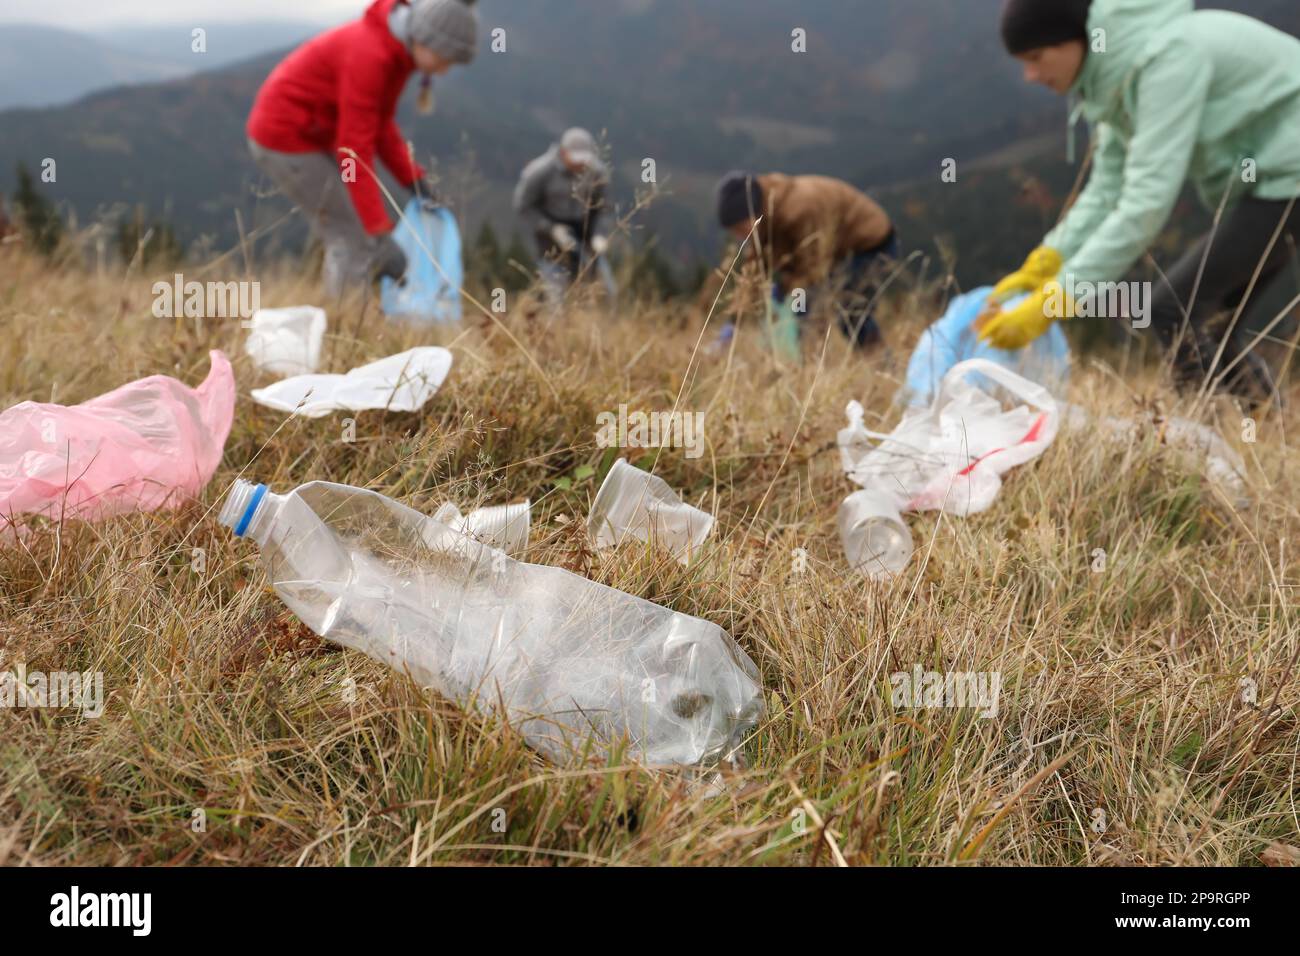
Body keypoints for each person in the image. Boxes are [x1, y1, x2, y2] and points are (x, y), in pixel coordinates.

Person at [980, 0, 1300, 406]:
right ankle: (1269, 428)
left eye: (1036, 58)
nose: (1030, 76)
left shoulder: (1166, 61)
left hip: (1288, 180)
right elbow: (1107, 188)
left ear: (1074, 41)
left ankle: (1200, 443)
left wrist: (1052, 301)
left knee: (1171, 309)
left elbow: (1145, 203)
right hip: (1276, 183)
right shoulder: (1118, 78)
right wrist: (1046, 261)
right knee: (1211, 321)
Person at [246, 0, 478, 297]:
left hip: (315, 134)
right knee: (348, 234)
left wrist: (414, 181)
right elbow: (353, 152)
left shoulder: (398, 52)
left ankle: (352, 311)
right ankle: (346, 324)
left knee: (356, 227)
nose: (445, 70)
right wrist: (380, 232)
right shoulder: (372, 56)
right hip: (285, 137)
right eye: (446, 59)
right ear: (427, 39)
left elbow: (380, 124)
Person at [714, 171, 899, 357]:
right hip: (835, 254)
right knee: (804, 307)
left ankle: (880, 364)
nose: (739, 236)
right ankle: (810, 360)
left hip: (871, 244)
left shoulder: (799, 211)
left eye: (740, 228)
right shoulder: (764, 216)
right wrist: (733, 321)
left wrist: (787, 293)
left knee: (850, 311)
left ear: (751, 213)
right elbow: (754, 271)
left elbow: (811, 272)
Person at [513, 128, 615, 302]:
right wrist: (550, 229)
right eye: (575, 159)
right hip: (550, 243)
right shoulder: (539, 171)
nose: (579, 165)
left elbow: (603, 207)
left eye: (584, 159)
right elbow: (523, 206)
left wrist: (599, 234)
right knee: (555, 298)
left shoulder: (597, 172)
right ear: (563, 152)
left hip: (586, 239)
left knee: (607, 292)